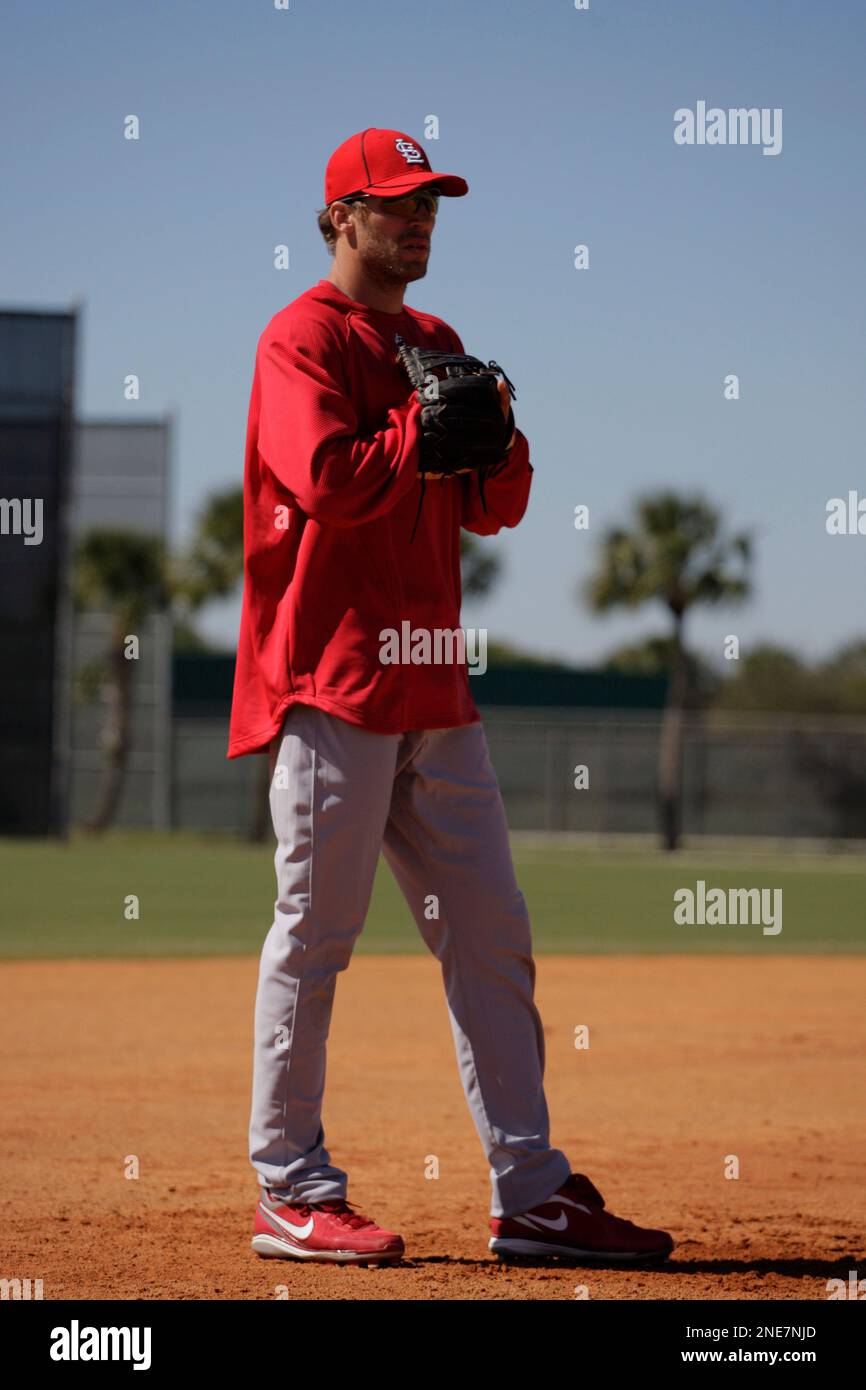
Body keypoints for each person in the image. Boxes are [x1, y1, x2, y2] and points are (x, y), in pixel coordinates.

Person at [228, 127, 674, 1268]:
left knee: (489, 933)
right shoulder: (299, 340)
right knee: (315, 938)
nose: (418, 221)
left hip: (434, 680)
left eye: (430, 204)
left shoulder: (436, 340)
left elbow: (492, 506)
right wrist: (413, 432)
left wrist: (501, 431)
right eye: (394, 205)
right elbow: (325, 477)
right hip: (334, 678)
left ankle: (529, 1193)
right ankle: (290, 1186)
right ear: (338, 218)